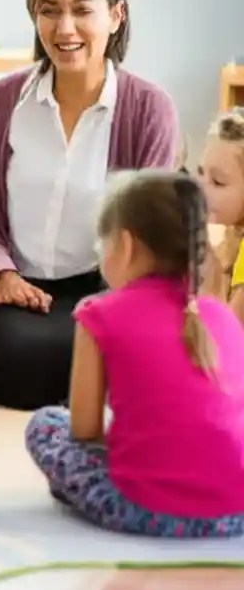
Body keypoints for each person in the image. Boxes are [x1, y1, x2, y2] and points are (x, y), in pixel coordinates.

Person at [0, 0, 178, 411]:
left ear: (116, 15)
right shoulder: (1, 100)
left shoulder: (149, 108)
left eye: (82, 11)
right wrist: (1, 277)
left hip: (104, 294)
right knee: (7, 349)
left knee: (104, 349)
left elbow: (155, 239)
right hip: (16, 294)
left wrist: (113, 306)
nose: (64, 29)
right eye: (49, 11)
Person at [25, 171, 244, 537]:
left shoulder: (97, 314)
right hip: (235, 512)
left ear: (124, 245)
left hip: (143, 509)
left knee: (47, 424)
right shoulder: (221, 315)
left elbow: (84, 429)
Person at [197, 110, 244, 316]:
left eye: (218, 182)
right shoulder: (231, 239)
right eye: (201, 174)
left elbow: (226, 337)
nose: (202, 190)